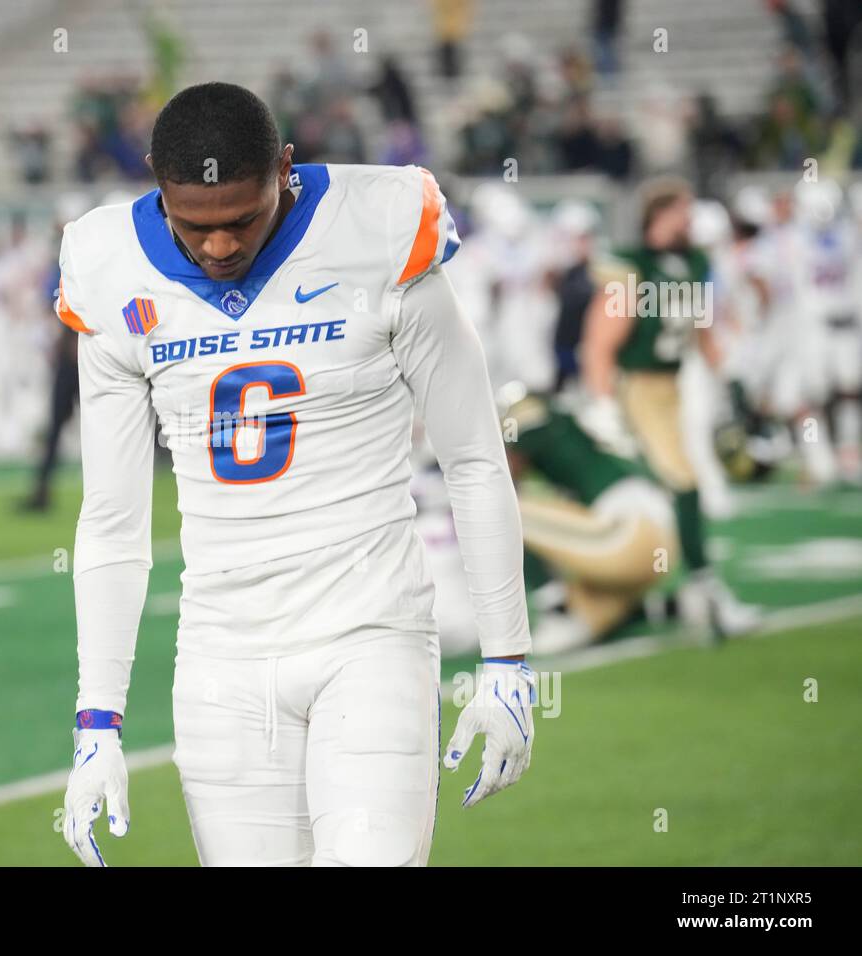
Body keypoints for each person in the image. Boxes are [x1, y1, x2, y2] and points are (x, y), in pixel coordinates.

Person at [60, 83, 534, 868]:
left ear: (285, 168)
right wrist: (97, 719)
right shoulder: (108, 266)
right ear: (155, 181)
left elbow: (475, 458)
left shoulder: (375, 228)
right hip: (220, 653)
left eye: (241, 219)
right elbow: (112, 518)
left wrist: (507, 658)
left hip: (370, 631)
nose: (218, 247)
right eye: (194, 226)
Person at [579, 178, 760, 638]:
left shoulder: (694, 262)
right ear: (659, 214)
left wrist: (730, 384)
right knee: (681, 483)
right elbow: (600, 344)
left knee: (676, 485)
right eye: (683, 210)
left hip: (674, 387)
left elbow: (699, 330)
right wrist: (603, 403)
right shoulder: (632, 266)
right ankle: (698, 592)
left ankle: (675, 597)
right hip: (637, 388)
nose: (691, 220)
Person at [501, 385, 678, 653]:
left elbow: (503, 477)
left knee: (499, 510)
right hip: (658, 533)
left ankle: (556, 609)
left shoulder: (525, 419)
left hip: (628, 530)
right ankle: (663, 606)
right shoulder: (567, 417)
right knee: (579, 627)